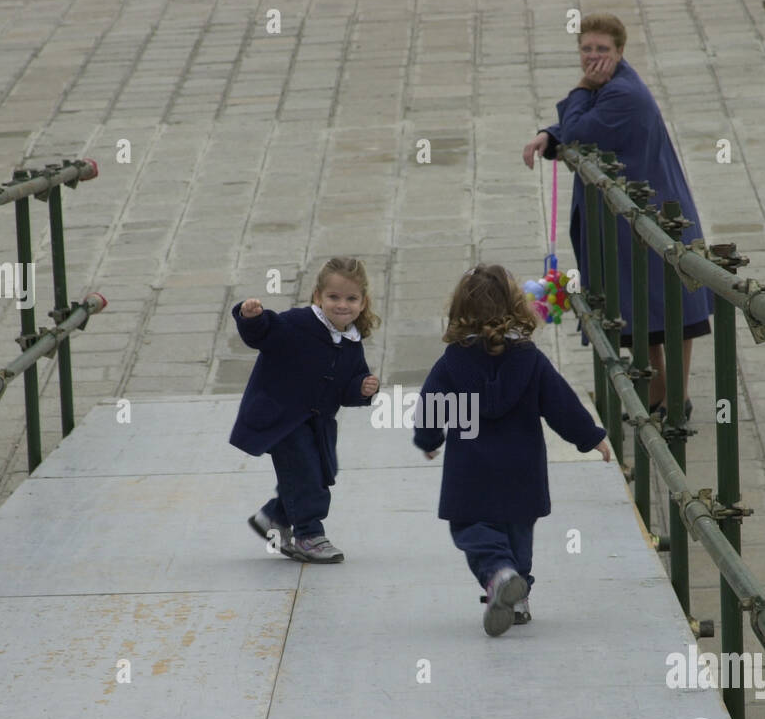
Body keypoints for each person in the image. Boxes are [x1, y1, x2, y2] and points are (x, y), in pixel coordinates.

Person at [522, 13, 711, 418]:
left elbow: (581, 131)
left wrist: (577, 93)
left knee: (669, 308)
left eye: (602, 50)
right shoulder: (609, 84)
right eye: (586, 49)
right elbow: (581, 124)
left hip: (655, 214)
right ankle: (661, 395)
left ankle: (675, 400)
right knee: (644, 310)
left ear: (620, 51)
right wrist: (550, 134)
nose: (593, 57)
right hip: (634, 218)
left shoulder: (621, 92)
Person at [413, 264, 610, 637]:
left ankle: (498, 575)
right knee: (518, 533)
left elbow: (431, 407)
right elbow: (560, 404)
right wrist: (590, 437)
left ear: (459, 310)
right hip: (523, 472)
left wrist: (428, 441)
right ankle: (517, 597)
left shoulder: (452, 363)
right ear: (516, 307)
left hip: (470, 473)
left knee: (472, 529)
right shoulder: (530, 361)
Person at [230, 257, 380, 563]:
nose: (342, 305)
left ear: (363, 303)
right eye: (333, 297)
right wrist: (252, 318)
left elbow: (348, 386)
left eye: (351, 299)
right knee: (305, 475)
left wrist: (362, 387)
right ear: (317, 297)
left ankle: (274, 517)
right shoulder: (298, 323)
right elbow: (265, 333)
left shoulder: (352, 342)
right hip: (283, 418)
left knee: (320, 473)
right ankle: (309, 535)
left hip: (318, 423)